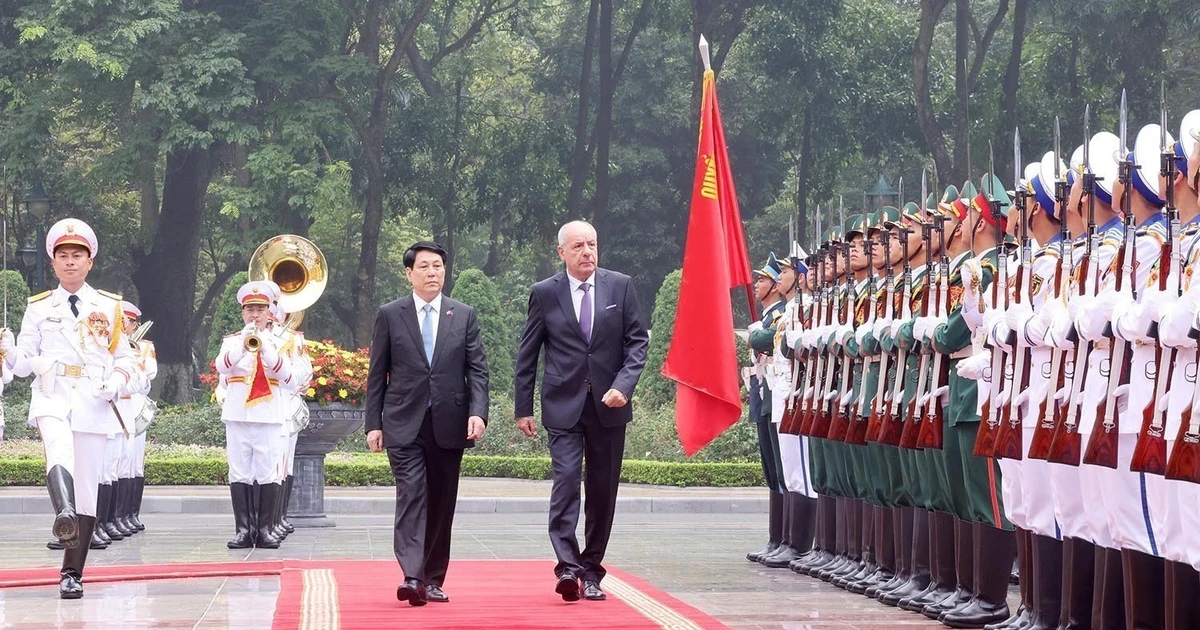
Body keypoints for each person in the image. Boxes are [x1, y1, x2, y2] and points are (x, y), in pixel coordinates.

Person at [514, 220, 649, 602]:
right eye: (578, 246)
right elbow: (528, 354)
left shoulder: (620, 286)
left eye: (592, 244)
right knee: (566, 482)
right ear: (562, 252)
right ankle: (568, 567)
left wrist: (623, 386)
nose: (587, 252)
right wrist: (523, 408)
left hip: (610, 406)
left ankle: (592, 570)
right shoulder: (545, 293)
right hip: (563, 405)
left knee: (603, 492)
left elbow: (637, 343)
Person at [2, 217, 136, 599]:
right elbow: (24, 364)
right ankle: (64, 512)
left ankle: (72, 572)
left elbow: (124, 358)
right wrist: (10, 351)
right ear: (53, 262)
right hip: (53, 394)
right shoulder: (39, 308)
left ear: (90, 261)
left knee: (88, 488)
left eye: (78, 255)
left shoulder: (109, 306)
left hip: (93, 398)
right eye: (63, 255)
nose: (70, 261)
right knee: (58, 451)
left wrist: (116, 382)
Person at [364, 241, 489, 607]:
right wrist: (373, 423)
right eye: (424, 266)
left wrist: (478, 412)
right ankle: (412, 576)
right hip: (403, 422)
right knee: (412, 495)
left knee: (441, 502)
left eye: (438, 266)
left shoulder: (463, 314)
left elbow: (477, 370)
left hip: (449, 423)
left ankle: (433, 579)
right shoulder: (391, 314)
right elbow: (377, 374)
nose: (432, 272)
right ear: (409, 273)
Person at [216, 280, 294, 551]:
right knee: (239, 472)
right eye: (250, 310)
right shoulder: (231, 341)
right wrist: (243, 345)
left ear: (269, 312)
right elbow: (221, 367)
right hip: (238, 413)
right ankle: (243, 530)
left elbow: (290, 378)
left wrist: (267, 350)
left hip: (268, 414)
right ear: (242, 312)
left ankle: (264, 529)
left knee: (267, 472)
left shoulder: (279, 342)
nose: (255, 315)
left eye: (260, 310)